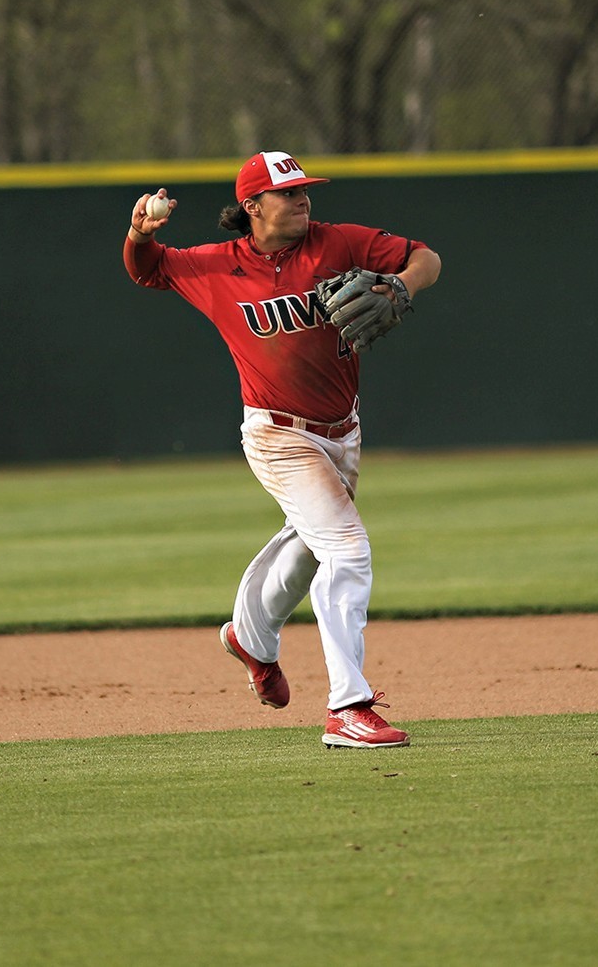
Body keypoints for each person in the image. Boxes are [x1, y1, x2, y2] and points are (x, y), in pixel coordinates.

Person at [123, 151, 441, 749]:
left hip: (341, 432)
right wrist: (139, 232)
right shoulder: (215, 266)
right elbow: (148, 270)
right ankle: (348, 706)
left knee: (309, 548)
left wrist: (400, 285)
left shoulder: (338, 243)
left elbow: (427, 257)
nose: (303, 201)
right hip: (276, 431)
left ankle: (251, 637)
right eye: (288, 193)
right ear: (252, 207)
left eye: (305, 191)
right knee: (347, 550)